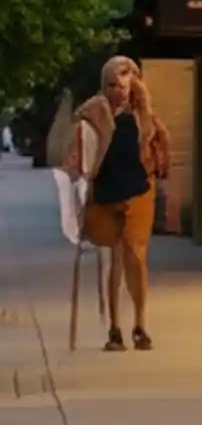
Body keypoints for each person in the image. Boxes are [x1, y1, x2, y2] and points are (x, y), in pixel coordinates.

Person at [63, 56, 170, 352]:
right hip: (105, 194)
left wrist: (160, 166)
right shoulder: (93, 113)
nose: (116, 91)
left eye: (122, 85)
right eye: (110, 85)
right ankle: (114, 328)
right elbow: (79, 149)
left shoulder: (144, 116)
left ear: (133, 84)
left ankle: (140, 324)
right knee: (113, 259)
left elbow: (159, 146)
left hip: (138, 192)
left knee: (136, 256)